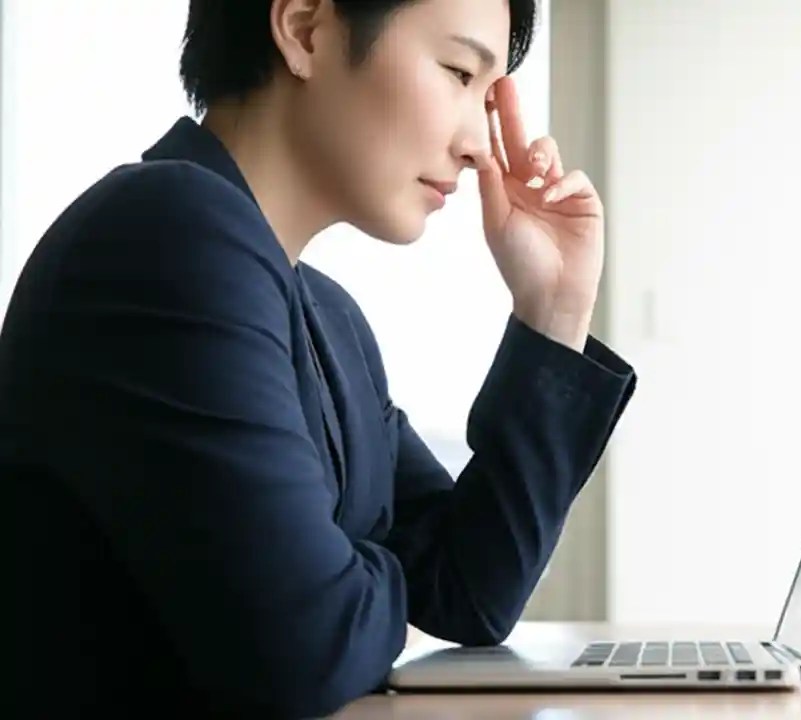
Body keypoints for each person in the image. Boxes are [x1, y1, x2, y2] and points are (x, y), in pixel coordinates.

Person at [1, 0, 635, 716]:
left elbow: (467, 591)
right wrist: (333, 582)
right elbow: (308, 645)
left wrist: (551, 311)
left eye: (487, 96)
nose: (478, 145)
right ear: (304, 30)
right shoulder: (166, 236)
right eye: (458, 72)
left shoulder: (325, 316)